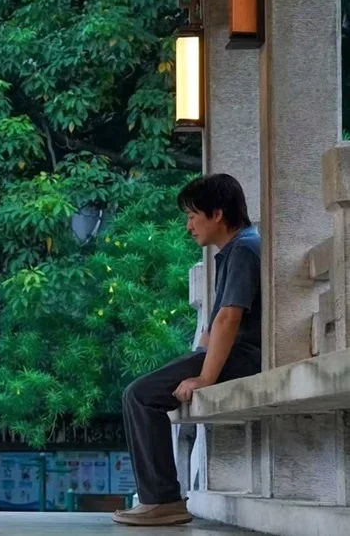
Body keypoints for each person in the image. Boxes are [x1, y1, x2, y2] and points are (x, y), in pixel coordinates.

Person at [112, 174, 261, 527]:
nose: (188, 226)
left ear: (217, 214)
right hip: (234, 354)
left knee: (140, 395)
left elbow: (229, 317)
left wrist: (204, 377)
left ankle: (163, 501)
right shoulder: (237, 248)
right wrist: (190, 364)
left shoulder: (244, 249)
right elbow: (213, 327)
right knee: (144, 390)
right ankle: (159, 499)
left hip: (244, 357)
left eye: (193, 216)